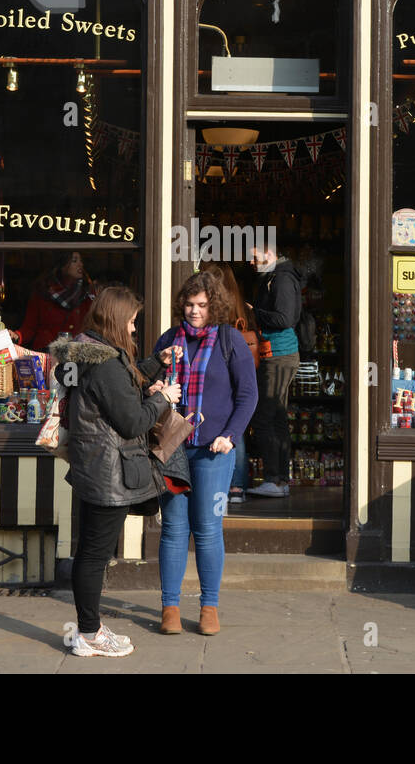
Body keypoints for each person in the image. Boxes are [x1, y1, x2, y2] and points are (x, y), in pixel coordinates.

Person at [49, 285, 183, 658]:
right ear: (117, 319)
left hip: (92, 465)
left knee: (92, 551)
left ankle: (89, 628)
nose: (135, 327)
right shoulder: (106, 363)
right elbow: (131, 420)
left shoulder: (88, 353)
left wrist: (155, 364)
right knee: (94, 554)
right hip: (108, 471)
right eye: (132, 320)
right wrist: (162, 398)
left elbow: (119, 387)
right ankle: (89, 633)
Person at [151, 270, 258, 636]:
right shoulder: (168, 340)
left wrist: (230, 435)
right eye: (189, 304)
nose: (194, 311)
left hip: (214, 450)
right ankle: (170, 608)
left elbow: (248, 395)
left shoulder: (229, 339)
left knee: (209, 529)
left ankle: (209, 607)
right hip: (172, 449)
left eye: (202, 305)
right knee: (173, 530)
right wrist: (157, 376)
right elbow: (146, 387)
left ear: (215, 306)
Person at [246, 237, 305, 498]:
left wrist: (253, 312)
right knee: (278, 418)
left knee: (263, 418)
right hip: (281, 354)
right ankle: (281, 479)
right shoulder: (279, 276)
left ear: (269, 253)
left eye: (254, 256)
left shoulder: (280, 279)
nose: (250, 261)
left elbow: (285, 318)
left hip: (278, 355)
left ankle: (273, 478)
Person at [199, 261, 258, 505]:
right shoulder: (239, 302)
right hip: (239, 362)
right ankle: (237, 484)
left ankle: (232, 484)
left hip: (219, 362)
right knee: (237, 421)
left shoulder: (217, 306)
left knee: (229, 416)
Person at [18, 252, 96, 351]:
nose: (81, 264)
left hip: (77, 354)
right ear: (62, 265)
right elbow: (29, 327)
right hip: (46, 353)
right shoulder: (42, 292)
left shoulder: (88, 294)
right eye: (74, 261)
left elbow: (94, 328)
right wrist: (17, 336)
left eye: (81, 261)